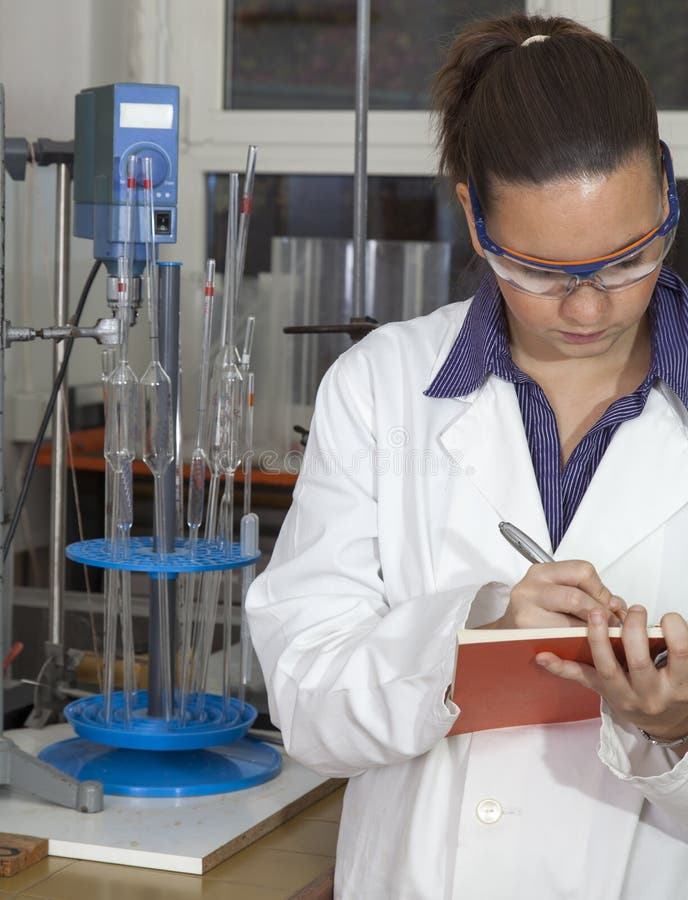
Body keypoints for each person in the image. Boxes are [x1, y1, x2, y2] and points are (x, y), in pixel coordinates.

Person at [247, 13, 688, 899]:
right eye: (540, 271)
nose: (589, 308)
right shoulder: (381, 387)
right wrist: (474, 634)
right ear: (475, 222)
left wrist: (674, 730)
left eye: (628, 259)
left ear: (668, 192)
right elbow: (306, 700)